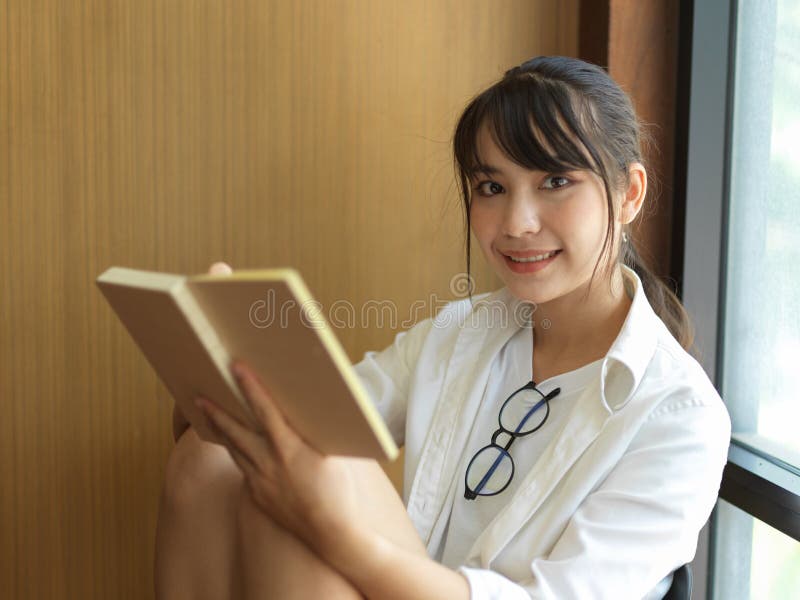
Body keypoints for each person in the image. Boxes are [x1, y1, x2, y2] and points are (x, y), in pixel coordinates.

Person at [155, 56, 731, 599]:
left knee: (296, 482)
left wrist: (335, 532)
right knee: (213, 458)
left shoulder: (679, 416)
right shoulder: (462, 331)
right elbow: (313, 417)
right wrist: (220, 368)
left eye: (556, 181)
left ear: (628, 193)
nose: (517, 223)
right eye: (492, 188)